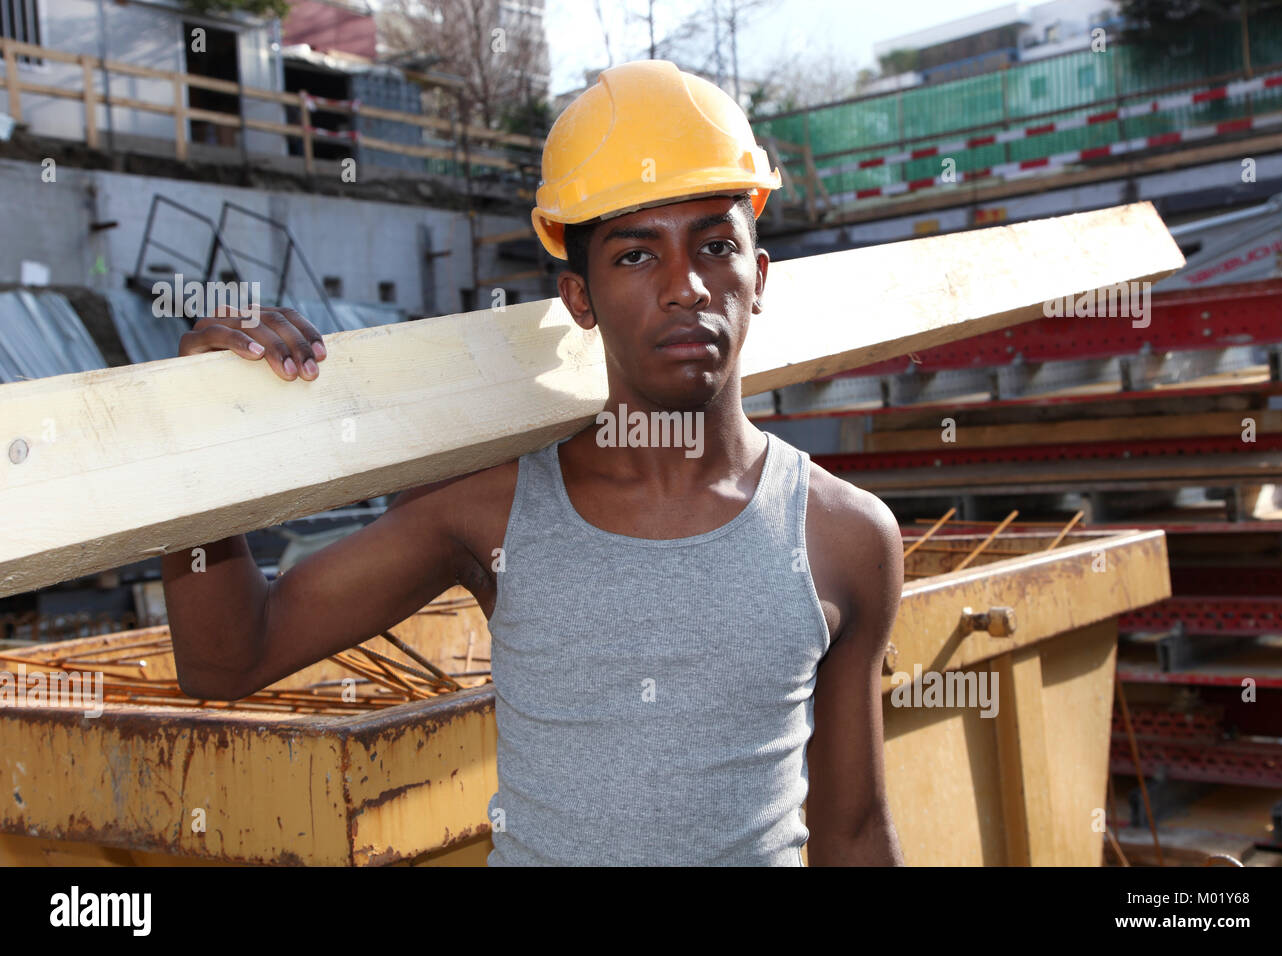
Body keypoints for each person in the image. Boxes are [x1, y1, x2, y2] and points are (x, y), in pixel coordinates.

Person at [165, 59, 904, 866]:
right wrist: (204, 428)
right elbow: (227, 658)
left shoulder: (845, 536)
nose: (685, 286)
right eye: (633, 255)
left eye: (716, 244)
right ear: (579, 299)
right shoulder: (491, 511)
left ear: (756, 278)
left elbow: (854, 829)